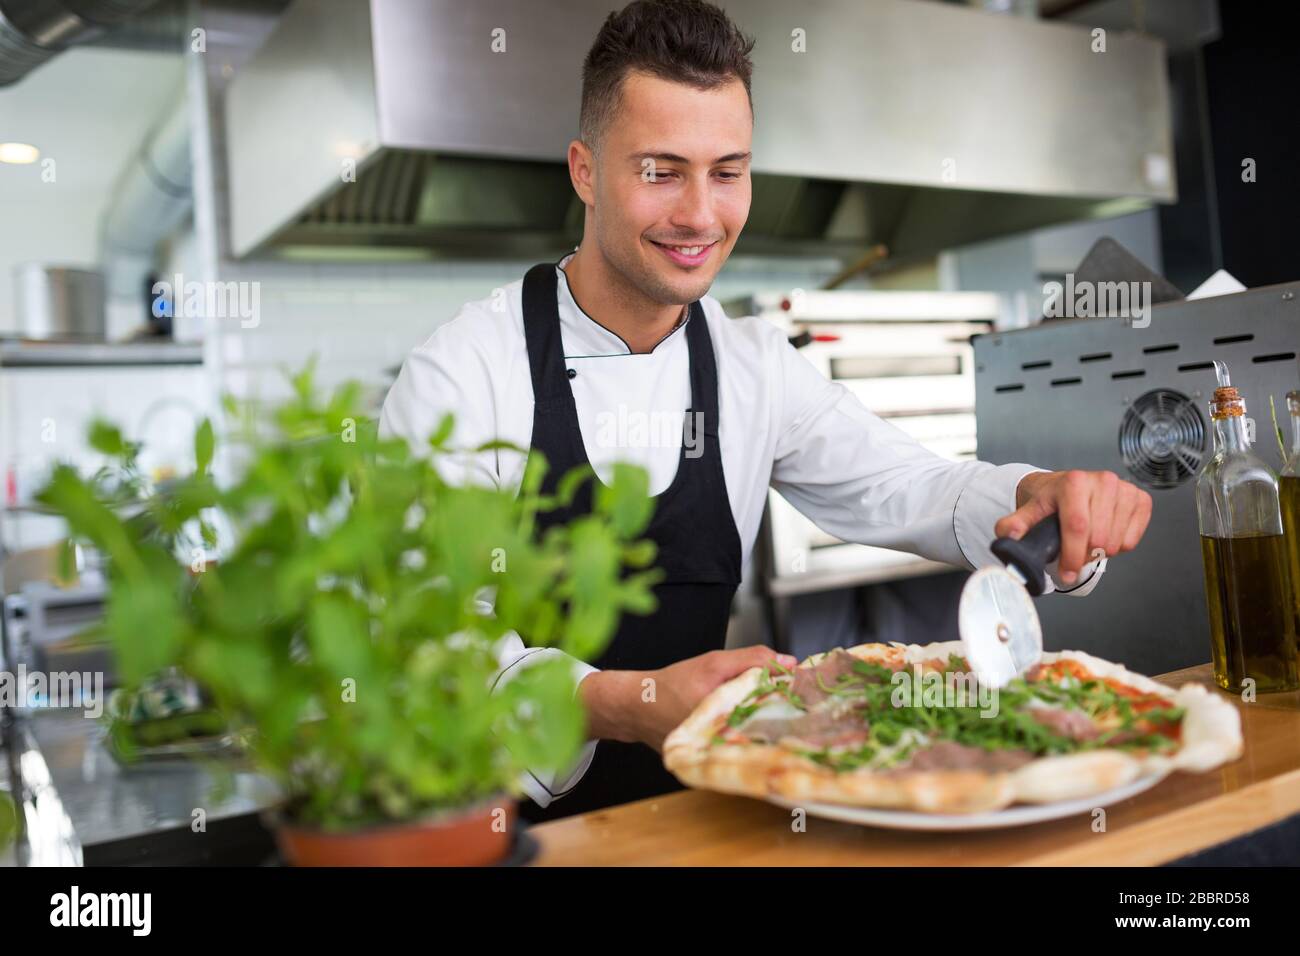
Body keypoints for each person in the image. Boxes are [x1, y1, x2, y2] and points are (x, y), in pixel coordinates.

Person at [379, 0, 1153, 822]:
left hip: (687, 818)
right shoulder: (464, 372)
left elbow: (908, 484)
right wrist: (620, 702)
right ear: (583, 171)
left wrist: (1038, 495)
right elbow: (421, 647)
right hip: (488, 828)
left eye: (727, 171)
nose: (701, 215)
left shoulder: (752, 365)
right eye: (660, 171)